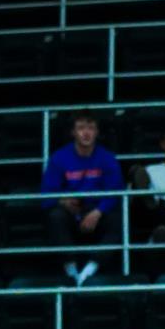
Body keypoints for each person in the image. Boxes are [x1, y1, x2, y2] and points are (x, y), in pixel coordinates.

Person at [40, 111, 123, 284]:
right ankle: (71, 271)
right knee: (55, 216)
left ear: (97, 132)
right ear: (73, 132)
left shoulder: (107, 158)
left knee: (117, 219)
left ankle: (90, 269)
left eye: (91, 128)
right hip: (72, 212)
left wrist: (98, 211)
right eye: (81, 128)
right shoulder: (59, 158)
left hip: (97, 211)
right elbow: (46, 195)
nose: (86, 133)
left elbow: (115, 192)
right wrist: (62, 201)